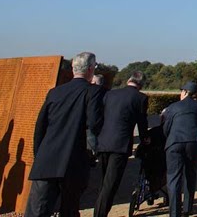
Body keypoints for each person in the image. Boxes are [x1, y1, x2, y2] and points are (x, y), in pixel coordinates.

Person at [25, 51, 104, 217]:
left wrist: (39, 154)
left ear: (73, 69)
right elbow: (94, 124)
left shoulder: (55, 92)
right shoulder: (93, 92)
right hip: (73, 159)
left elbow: (40, 126)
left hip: (47, 158)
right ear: (90, 69)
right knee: (69, 207)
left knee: (38, 209)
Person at [94, 71, 150, 217]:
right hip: (121, 144)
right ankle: (100, 214)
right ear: (141, 84)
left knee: (104, 181)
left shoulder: (110, 94)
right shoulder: (141, 98)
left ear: (128, 80)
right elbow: (142, 123)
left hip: (104, 141)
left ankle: (99, 211)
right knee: (111, 184)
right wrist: (145, 139)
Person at [163, 81, 197, 217]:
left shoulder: (173, 107)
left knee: (174, 178)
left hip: (175, 142)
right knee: (190, 175)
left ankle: (175, 213)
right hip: (194, 141)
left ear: (185, 92)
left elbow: (166, 127)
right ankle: (187, 208)